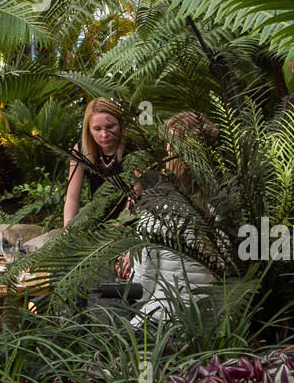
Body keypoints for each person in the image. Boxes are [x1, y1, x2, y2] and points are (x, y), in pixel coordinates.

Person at [126, 111, 223, 325]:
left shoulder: (158, 209)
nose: (167, 149)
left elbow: (141, 290)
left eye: (171, 143)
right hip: (216, 323)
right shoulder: (224, 206)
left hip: (165, 324)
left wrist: (110, 286)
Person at [62, 97, 127, 225]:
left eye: (110, 126)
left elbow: (136, 196)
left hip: (129, 220)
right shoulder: (81, 149)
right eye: (97, 129)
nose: (104, 134)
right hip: (97, 220)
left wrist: (116, 228)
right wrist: (67, 228)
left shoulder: (132, 149)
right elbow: (72, 197)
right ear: (89, 130)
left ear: (120, 124)